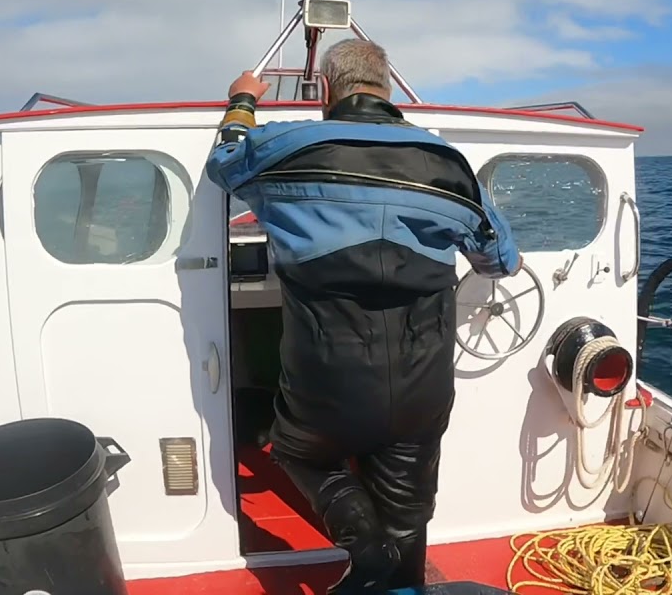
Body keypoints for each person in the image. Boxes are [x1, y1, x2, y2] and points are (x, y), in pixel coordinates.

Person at [205, 38, 523, 592]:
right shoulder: (446, 162)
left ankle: (364, 548)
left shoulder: (284, 148)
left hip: (325, 379)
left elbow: (224, 165)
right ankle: (395, 572)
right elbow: (500, 259)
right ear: (392, 88)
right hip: (423, 381)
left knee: (297, 450)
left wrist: (241, 103)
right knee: (408, 511)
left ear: (327, 90)